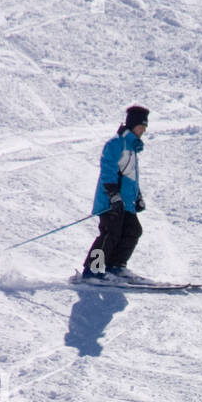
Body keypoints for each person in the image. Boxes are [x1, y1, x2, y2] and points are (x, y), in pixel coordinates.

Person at [82, 105, 149, 279]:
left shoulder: (133, 148)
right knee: (110, 233)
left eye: (144, 127)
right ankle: (93, 269)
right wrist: (113, 195)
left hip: (126, 203)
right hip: (111, 201)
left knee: (133, 231)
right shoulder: (116, 144)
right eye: (140, 126)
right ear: (132, 124)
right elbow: (108, 170)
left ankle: (115, 266)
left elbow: (130, 177)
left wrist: (138, 197)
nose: (143, 130)